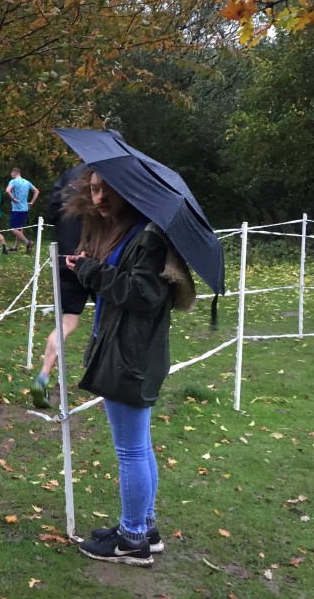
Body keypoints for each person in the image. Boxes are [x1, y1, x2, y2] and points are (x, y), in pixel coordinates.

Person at [63, 169, 195, 566]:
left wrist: (89, 271)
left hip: (129, 355)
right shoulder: (135, 233)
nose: (99, 197)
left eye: (108, 189)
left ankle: (133, 539)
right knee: (138, 446)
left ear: (130, 190)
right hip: (129, 350)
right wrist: (90, 266)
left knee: (131, 450)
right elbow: (124, 284)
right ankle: (144, 528)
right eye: (94, 189)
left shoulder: (148, 238)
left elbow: (141, 295)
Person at [31, 164, 91, 409]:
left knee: (66, 321)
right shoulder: (107, 173)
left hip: (64, 258)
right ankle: (103, 372)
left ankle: (43, 375)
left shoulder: (68, 176)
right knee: (110, 317)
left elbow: (52, 212)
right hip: (96, 258)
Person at [5, 167, 40, 253]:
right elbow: (37, 191)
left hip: (17, 209)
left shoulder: (13, 181)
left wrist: (13, 199)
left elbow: (7, 191)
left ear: (15, 173)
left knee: (13, 228)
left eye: (11, 172)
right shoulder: (27, 182)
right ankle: (15, 247)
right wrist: (32, 202)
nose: (10, 174)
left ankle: (27, 242)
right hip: (25, 208)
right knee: (20, 228)